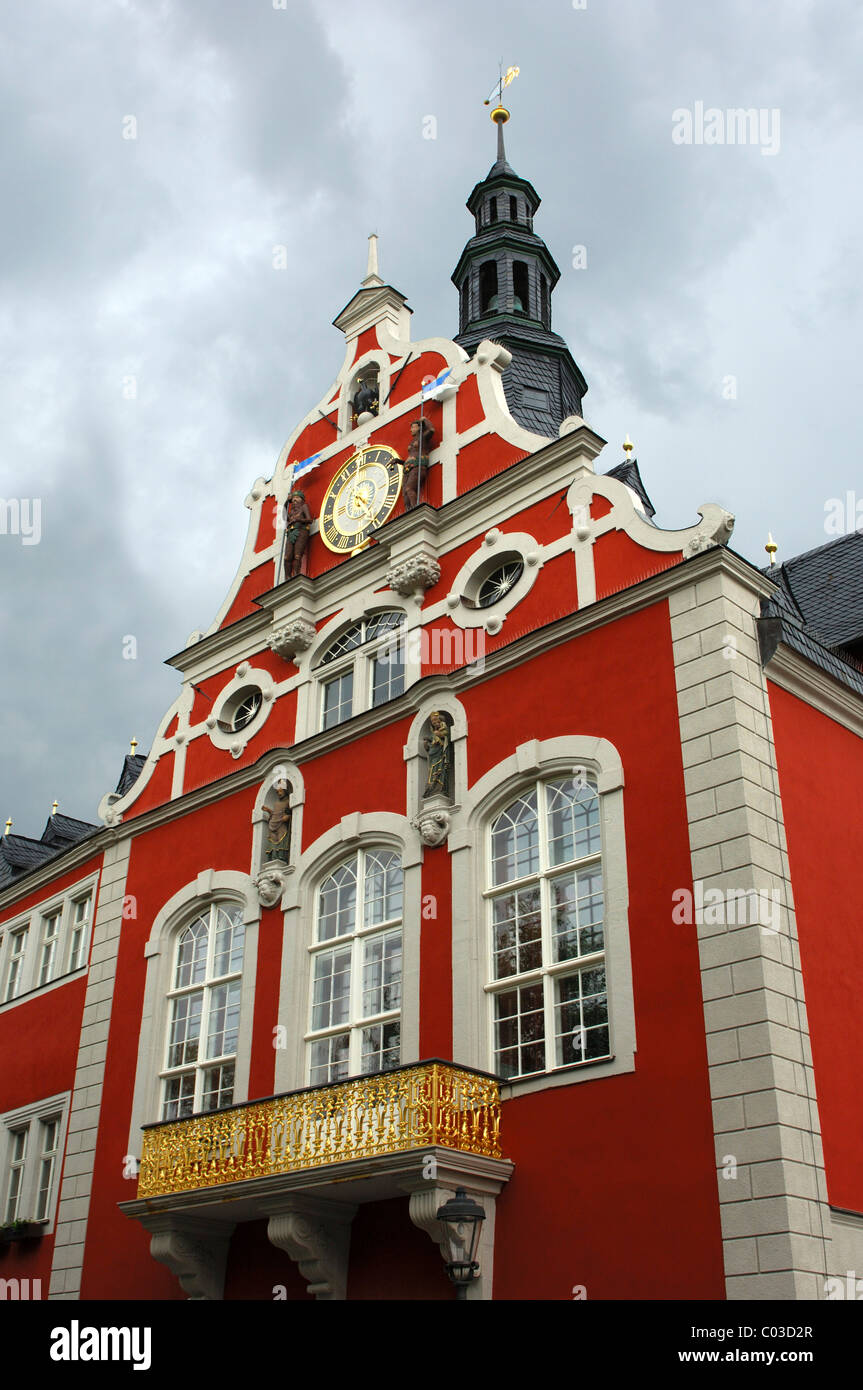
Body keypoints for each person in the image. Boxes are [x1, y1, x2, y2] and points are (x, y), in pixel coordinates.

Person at [401, 419, 435, 510]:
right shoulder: (412, 441)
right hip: (408, 467)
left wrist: (425, 420)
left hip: (418, 465)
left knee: (409, 489)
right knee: (404, 493)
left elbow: (431, 430)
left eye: (413, 427)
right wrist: (398, 461)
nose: (410, 430)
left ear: (419, 427)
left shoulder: (423, 437)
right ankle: (408, 511)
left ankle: (414, 509)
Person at [283, 490, 312, 579]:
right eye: (294, 498)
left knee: (297, 555)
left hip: (301, 531)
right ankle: (287, 577)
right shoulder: (291, 512)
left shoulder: (304, 507)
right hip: (291, 532)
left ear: (302, 500)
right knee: (287, 557)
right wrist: (286, 502)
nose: (295, 500)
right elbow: (284, 516)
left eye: (297, 498)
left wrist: (298, 520)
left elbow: (309, 520)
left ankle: (296, 575)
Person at [422, 711, 452, 798]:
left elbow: (446, 736)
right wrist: (426, 745)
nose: (435, 723)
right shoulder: (433, 733)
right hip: (432, 756)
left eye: (436, 720)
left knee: (440, 771)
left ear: (440, 721)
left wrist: (440, 734)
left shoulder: (444, 729)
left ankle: (439, 789)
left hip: (440, 755)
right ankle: (431, 790)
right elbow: (430, 745)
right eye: (433, 722)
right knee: (431, 773)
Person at [264, 783, 291, 863]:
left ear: (285, 791)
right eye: (277, 792)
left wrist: (288, 816)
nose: (279, 793)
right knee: (272, 840)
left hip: (282, 823)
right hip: (273, 824)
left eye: (280, 791)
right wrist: (269, 811)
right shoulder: (276, 803)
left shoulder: (288, 801)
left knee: (281, 838)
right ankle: (273, 857)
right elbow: (275, 813)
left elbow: (289, 811)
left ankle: (281, 857)